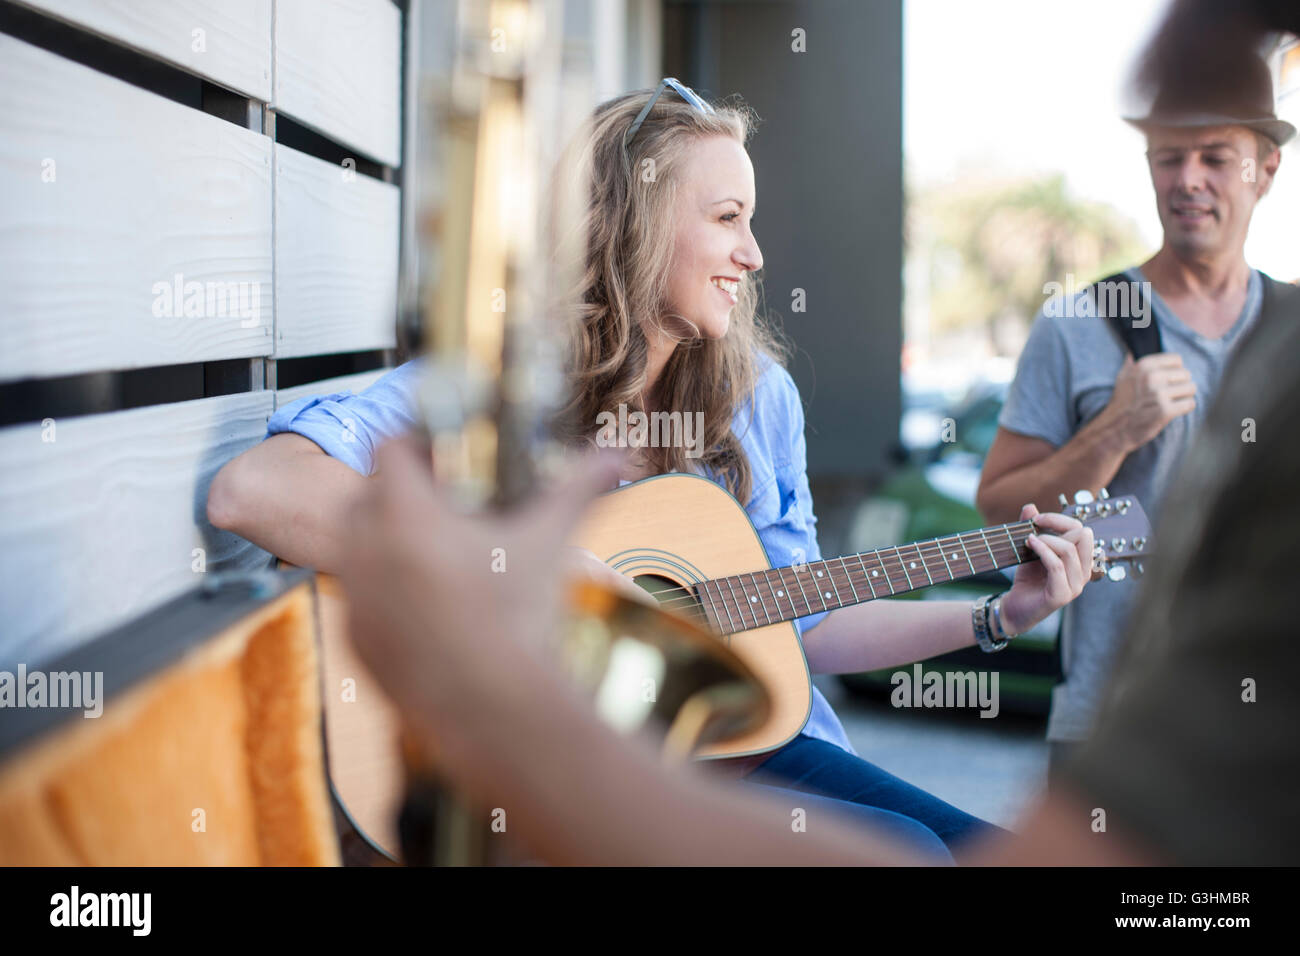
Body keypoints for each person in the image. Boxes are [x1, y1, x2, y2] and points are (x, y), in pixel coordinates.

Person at [208, 80, 1094, 855]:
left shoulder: (761, 398)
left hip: (747, 739)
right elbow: (253, 492)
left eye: (752, 222)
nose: (754, 255)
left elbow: (806, 624)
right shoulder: (495, 390)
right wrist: (551, 575)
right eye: (727, 220)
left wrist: (996, 614)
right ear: (631, 225)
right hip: (551, 763)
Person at [975, 40, 1293, 769]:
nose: (1188, 180)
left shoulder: (1292, 333)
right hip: (1112, 729)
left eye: (1215, 157)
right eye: (1167, 158)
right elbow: (997, 512)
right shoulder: (1077, 324)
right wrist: (1116, 430)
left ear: (1265, 170)